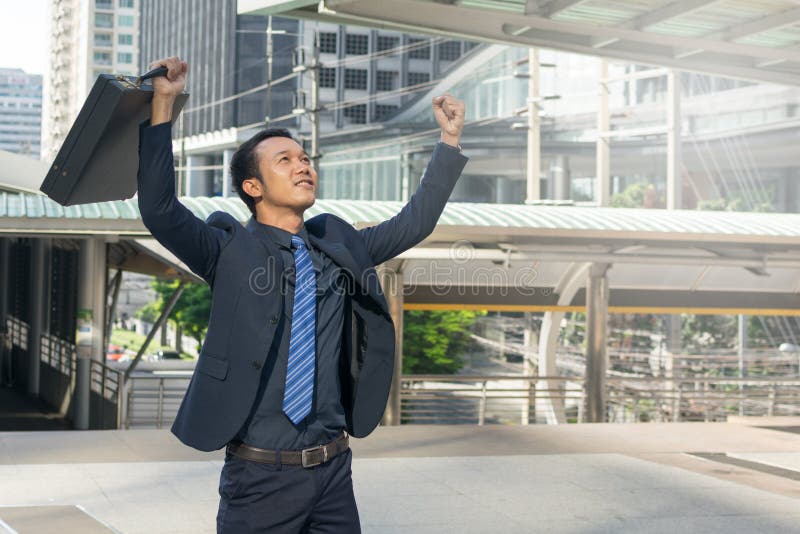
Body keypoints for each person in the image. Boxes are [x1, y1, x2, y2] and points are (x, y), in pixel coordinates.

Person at [138, 55, 468, 533]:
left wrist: (449, 141)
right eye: (285, 160)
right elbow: (160, 210)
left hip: (334, 472)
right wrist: (163, 105)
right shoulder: (226, 250)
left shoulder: (341, 247)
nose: (303, 166)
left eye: (306, 159)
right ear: (253, 186)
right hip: (260, 477)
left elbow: (414, 222)